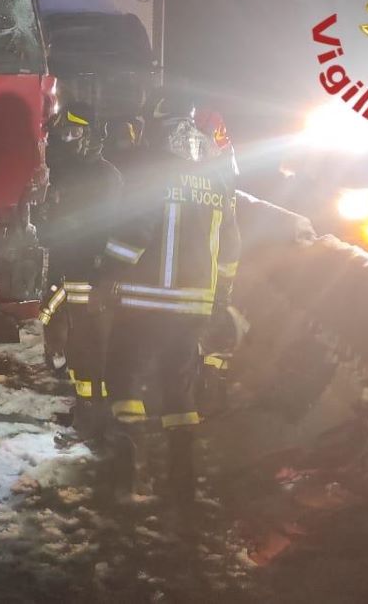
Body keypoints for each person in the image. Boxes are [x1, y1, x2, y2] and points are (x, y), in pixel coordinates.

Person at [95, 100, 239, 505]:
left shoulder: (154, 177)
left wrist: (108, 276)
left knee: (124, 378)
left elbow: (134, 235)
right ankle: (183, 478)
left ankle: (128, 474)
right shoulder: (219, 187)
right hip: (194, 308)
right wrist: (221, 295)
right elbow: (230, 251)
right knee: (178, 389)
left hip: (143, 302)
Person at [36, 103, 122, 442]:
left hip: (90, 274)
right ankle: (83, 409)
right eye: (63, 134)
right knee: (67, 340)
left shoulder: (106, 176)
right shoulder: (62, 173)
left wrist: (104, 271)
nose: (66, 140)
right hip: (65, 268)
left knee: (92, 350)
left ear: (92, 135)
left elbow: (108, 224)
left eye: (74, 133)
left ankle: (95, 419)